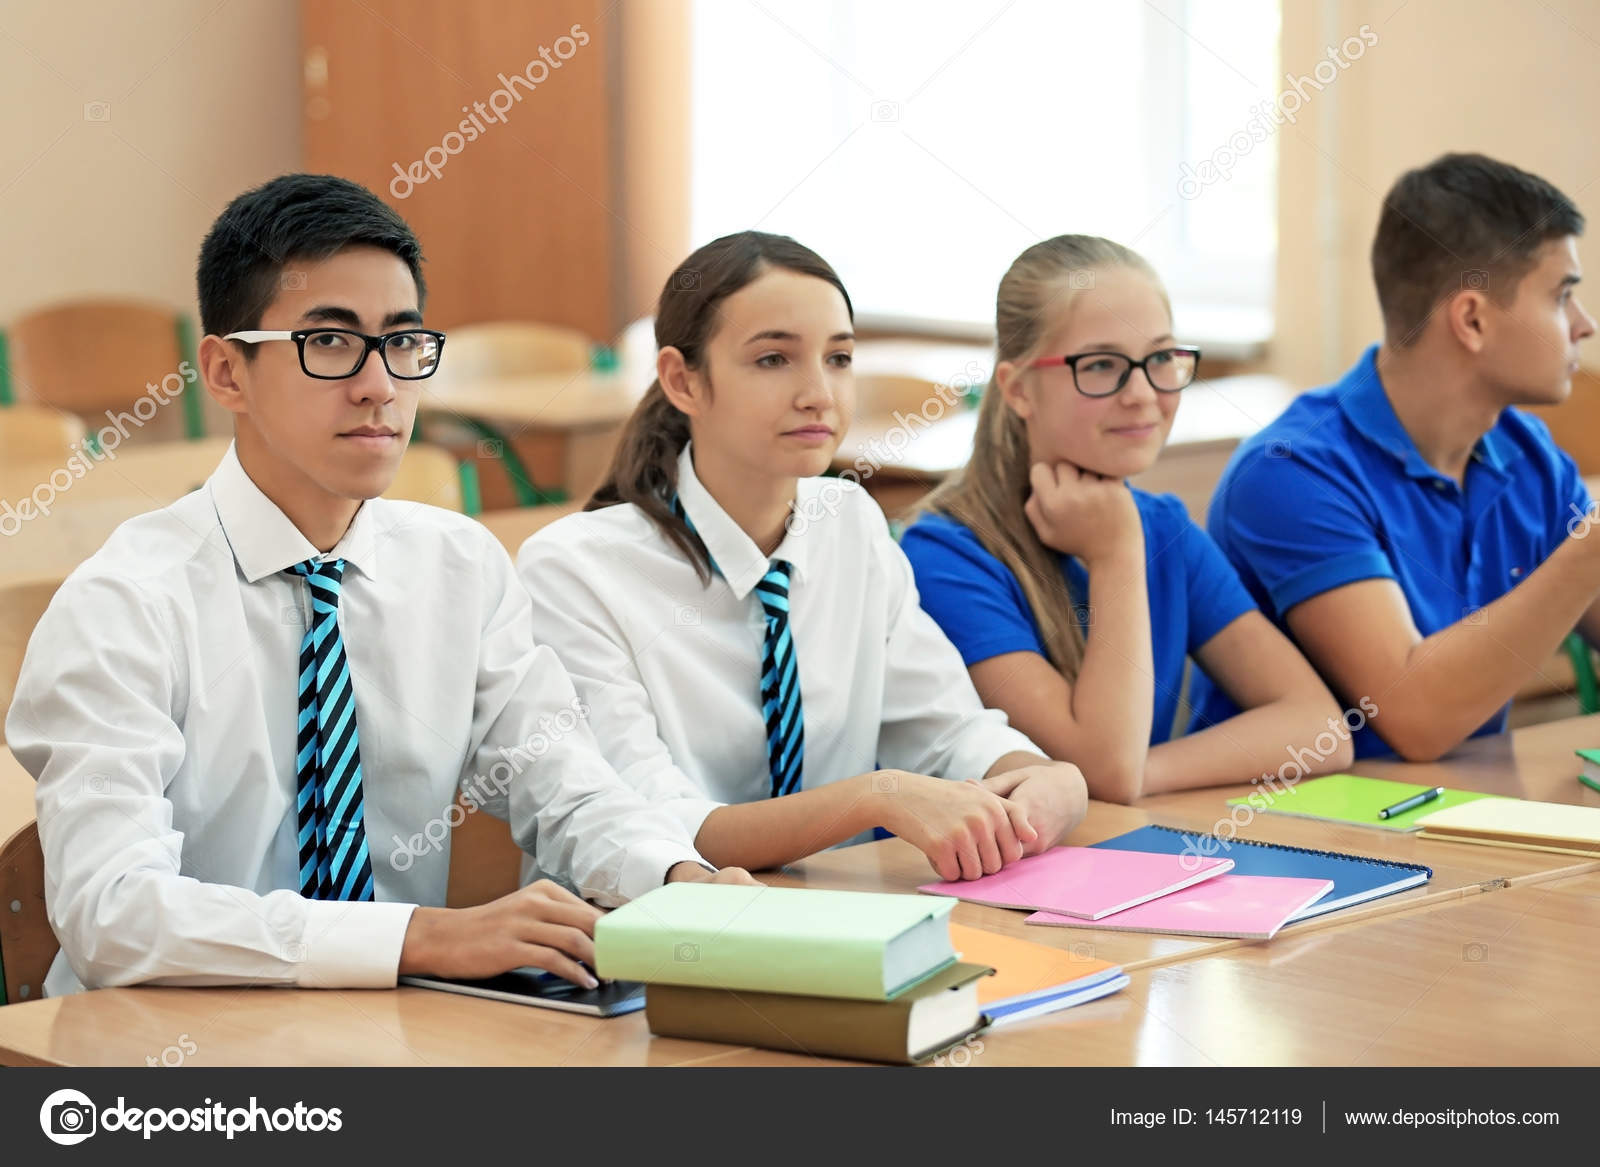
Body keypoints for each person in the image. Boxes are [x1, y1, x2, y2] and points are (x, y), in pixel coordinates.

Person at [6, 174, 748, 996]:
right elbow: (113, 913)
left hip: (393, 1033)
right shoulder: (124, 605)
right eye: (329, 343)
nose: (379, 385)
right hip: (162, 1059)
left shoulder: (460, 569)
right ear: (225, 372)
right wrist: (415, 937)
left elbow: (565, 785)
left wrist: (680, 881)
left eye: (401, 342)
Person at [516, 230, 1088, 882]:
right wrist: (875, 796)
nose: (819, 392)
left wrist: (1039, 774)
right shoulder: (574, 569)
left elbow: (948, 730)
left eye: (839, 357)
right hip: (629, 947)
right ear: (682, 380)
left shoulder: (847, 521)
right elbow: (649, 820)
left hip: (828, 932)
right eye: (772, 360)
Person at [901, 235, 1350, 803]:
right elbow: (1100, 768)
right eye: (1102, 365)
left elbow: (1322, 731)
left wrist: (1144, 773)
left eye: (1160, 358)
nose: (1142, 393)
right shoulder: (944, 556)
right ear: (1018, 390)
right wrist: (1115, 555)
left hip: (1115, 852)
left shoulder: (1161, 527)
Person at [1196, 153, 1597, 760]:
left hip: (1456, 819)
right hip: (1297, 836)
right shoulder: (1289, 473)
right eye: (1561, 295)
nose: (1583, 325)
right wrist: (1589, 549)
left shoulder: (1529, 453)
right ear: (1472, 320)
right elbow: (1416, 717)